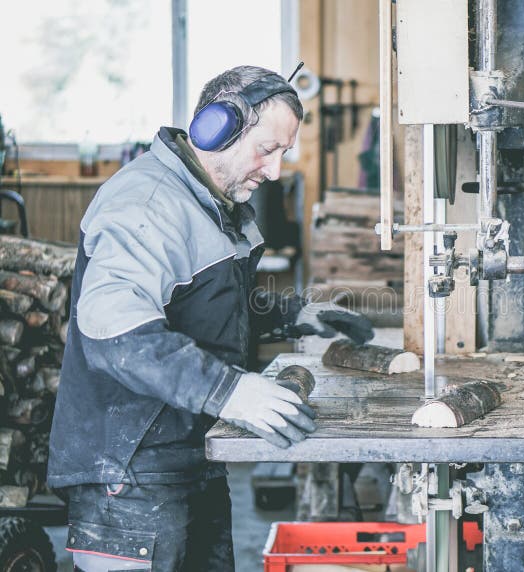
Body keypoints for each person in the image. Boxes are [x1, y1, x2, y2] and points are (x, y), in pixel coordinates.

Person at [47, 65, 373, 572]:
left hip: (188, 454)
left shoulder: (212, 204)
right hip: (128, 475)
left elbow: (207, 313)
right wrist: (231, 392)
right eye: (268, 149)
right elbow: (114, 337)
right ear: (215, 128)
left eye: (284, 153)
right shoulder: (148, 205)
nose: (275, 172)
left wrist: (295, 314)